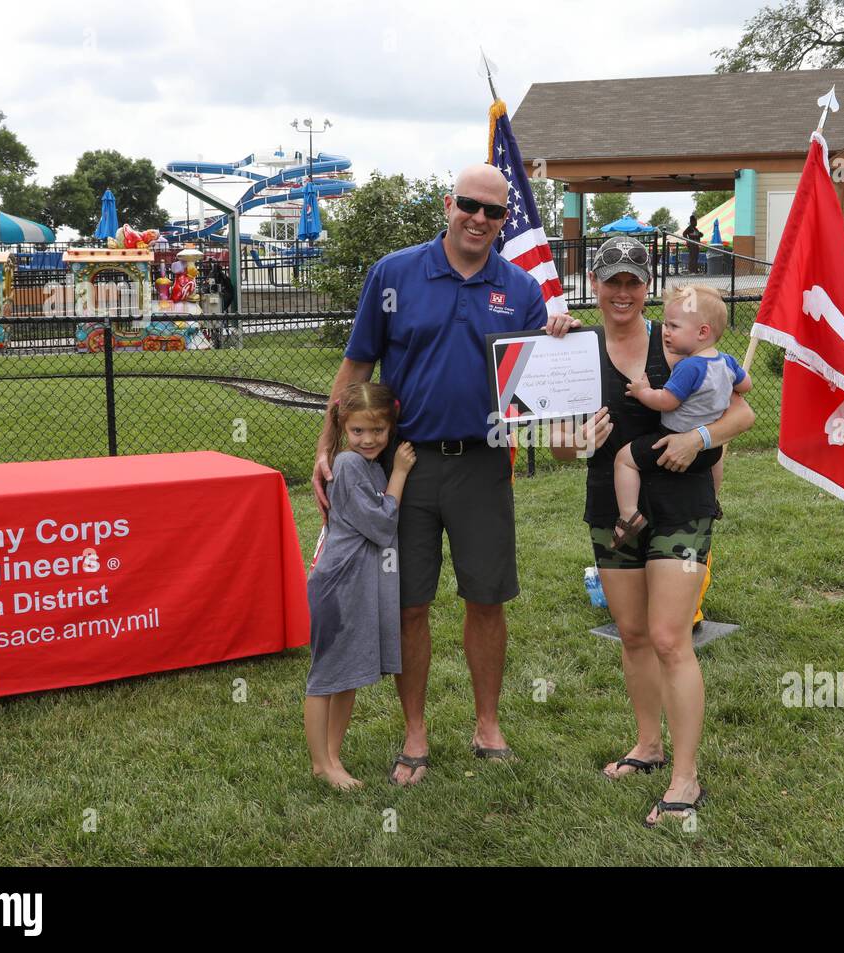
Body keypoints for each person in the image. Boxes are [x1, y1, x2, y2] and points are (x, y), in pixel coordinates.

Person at [312, 163, 569, 787]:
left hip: (485, 463)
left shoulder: (520, 287)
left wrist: (562, 341)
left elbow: (540, 384)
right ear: (447, 205)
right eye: (468, 205)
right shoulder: (394, 273)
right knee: (409, 605)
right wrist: (324, 442)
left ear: (505, 220)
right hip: (407, 466)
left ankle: (487, 724)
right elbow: (357, 365)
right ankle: (415, 732)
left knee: (487, 598)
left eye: (494, 211)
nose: (479, 219)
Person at [549, 236, 755, 827]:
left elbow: (744, 410)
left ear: (648, 287)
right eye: (611, 280)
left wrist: (700, 438)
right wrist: (574, 443)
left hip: (683, 506)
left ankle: (685, 779)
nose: (621, 292)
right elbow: (560, 448)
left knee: (670, 637)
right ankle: (648, 745)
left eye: (632, 282)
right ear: (594, 283)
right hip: (611, 509)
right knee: (634, 635)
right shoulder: (574, 348)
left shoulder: (681, 339)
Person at [305, 382, 416, 790]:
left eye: (378, 431)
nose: (369, 440)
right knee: (326, 676)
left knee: (347, 676)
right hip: (337, 586)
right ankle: (321, 763)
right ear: (342, 427)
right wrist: (400, 474)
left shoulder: (367, 464)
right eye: (358, 431)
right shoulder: (350, 465)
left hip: (356, 583)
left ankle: (333, 756)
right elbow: (383, 525)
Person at [611, 284, 751, 548]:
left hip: (672, 441)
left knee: (625, 460)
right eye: (665, 324)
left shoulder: (689, 367)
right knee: (716, 456)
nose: (665, 331)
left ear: (702, 332)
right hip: (709, 448)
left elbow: (666, 402)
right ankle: (713, 501)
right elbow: (746, 386)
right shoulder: (727, 362)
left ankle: (629, 515)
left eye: (673, 326)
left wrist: (643, 392)